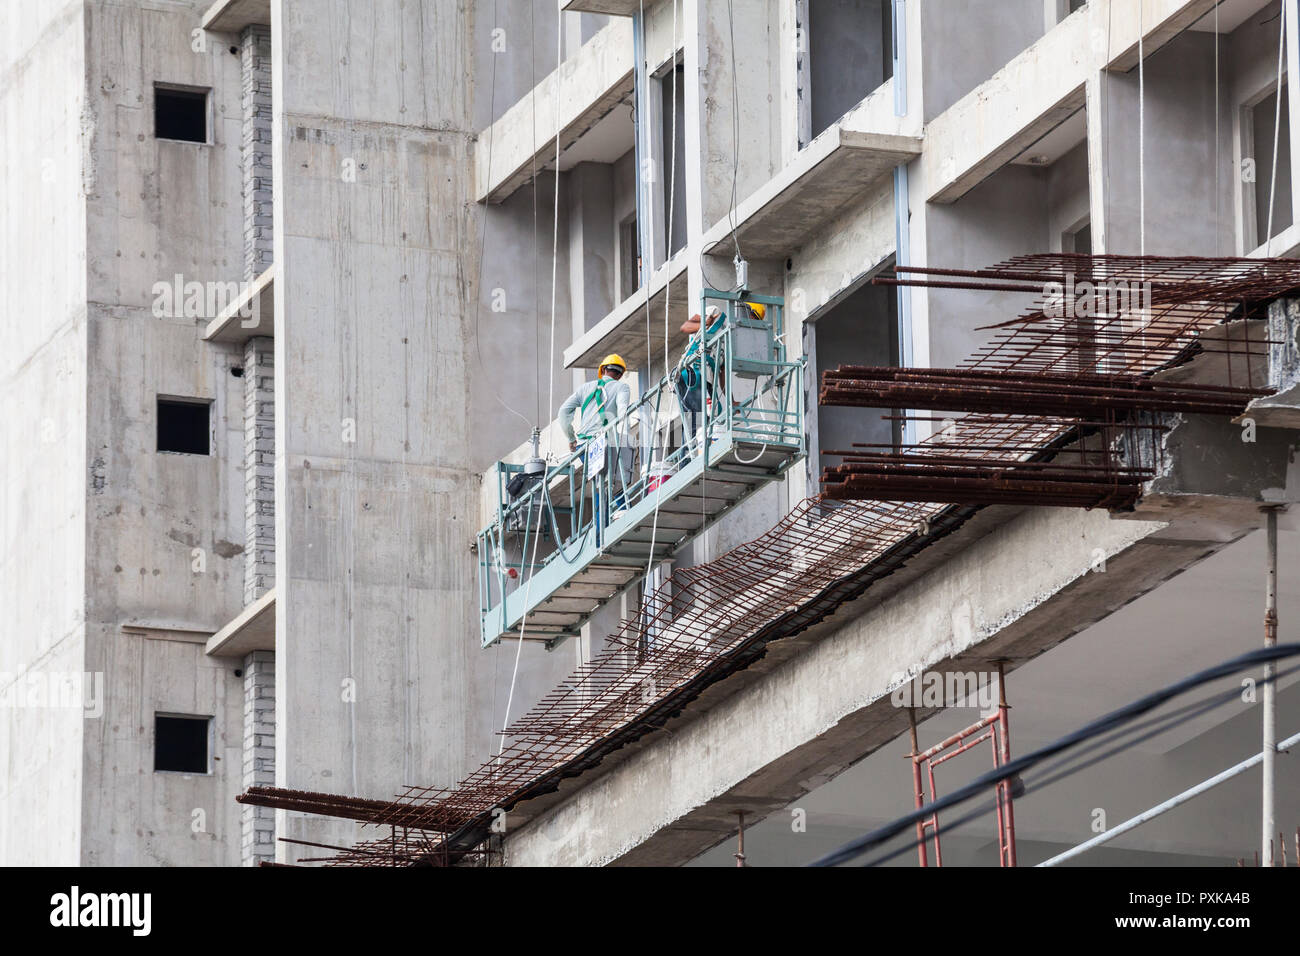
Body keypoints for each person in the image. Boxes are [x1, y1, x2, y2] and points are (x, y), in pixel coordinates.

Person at [557, 354, 633, 540]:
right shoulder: (622, 387)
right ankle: (622, 513)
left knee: (600, 485)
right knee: (617, 479)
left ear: (602, 370)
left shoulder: (585, 388)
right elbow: (623, 412)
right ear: (620, 373)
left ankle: (601, 534)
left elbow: (563, 411)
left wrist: (571, 437)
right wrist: (625, 439)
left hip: (585, 445)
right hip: (606, 440)